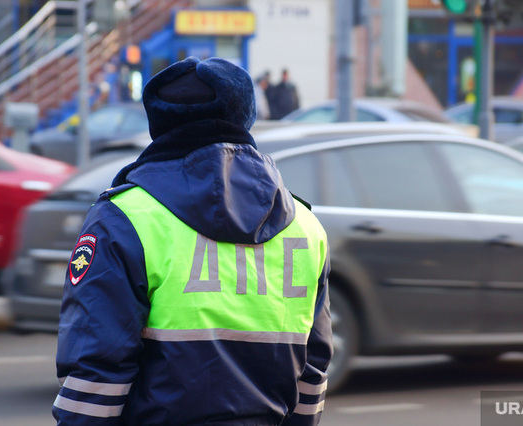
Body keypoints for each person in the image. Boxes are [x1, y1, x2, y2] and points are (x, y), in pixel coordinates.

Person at [52, 56, 332, 426]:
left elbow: (95, 375)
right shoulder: (306, 227)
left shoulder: (123, 219)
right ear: (244, 117)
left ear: (158, 123)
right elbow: (312, 373)